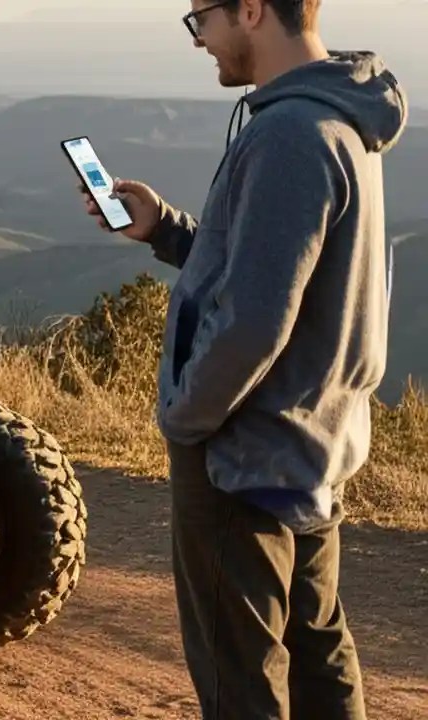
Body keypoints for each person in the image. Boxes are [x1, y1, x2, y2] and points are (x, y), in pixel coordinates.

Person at [78, 1, 408, 718]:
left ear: (252, 10)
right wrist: (165, 230)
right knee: (318, 651)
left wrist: (187, 417)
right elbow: (280, 275)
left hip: (241, 453)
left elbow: (255, 319)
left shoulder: (290, 133)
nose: (200, 41)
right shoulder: (342, 118)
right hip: (311, 436)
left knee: (241, 679)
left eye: (202, 20)